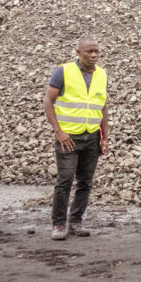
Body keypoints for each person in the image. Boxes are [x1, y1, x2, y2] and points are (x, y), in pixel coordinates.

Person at [44, 38, 108, 241]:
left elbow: (103, 106)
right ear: (78, 52)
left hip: (91, 137)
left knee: (85, 182)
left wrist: (104, 136)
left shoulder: (102, 75)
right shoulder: (63, 72)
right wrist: (58, 132)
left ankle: (76, 221)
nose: (94, 55)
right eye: (89, 51)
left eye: (96, 51)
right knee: (65, 180)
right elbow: (48, 101)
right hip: (68, 137)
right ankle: (59, 223)